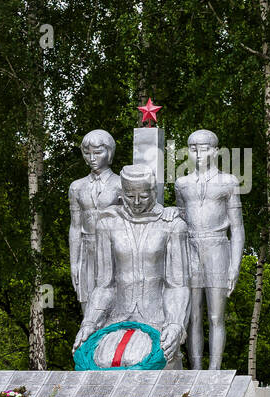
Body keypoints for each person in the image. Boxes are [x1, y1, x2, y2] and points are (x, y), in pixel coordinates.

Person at [74, 165, 190, 365]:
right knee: (103, 360)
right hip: (117, 320)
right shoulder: (107, 224)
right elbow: (104, 285)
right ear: (121, 194)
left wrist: (175, 325)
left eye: (143, 196)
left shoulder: (172, 226)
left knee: (140, 358)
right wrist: (89, 323)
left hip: (157, 320)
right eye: (129, 196)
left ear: (153, 192)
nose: (136, 203)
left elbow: (177, 285)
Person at [174, 130, 244, 370]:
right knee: (192, 317)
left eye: (204, 148)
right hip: (191, 248)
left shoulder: (229, 182)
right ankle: (195, 370)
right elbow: (179, 224)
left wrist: (234, 266)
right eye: (193, 149)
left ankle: (214, 371)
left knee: (216, 316)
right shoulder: (181, 184)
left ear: (215, 151)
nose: (198, 153)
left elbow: (237, 228)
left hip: (217, 248)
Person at [68, 130, 121, 314]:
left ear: (109, 152)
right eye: (87, 153)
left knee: (113, 306)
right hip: (87, 249)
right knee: (88, 307)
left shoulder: (121, 184)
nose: (92, 158)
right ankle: (89, 343)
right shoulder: (77, 187)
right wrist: (73, 262)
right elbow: (75, 226)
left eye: (98, 152)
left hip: (114, 251)